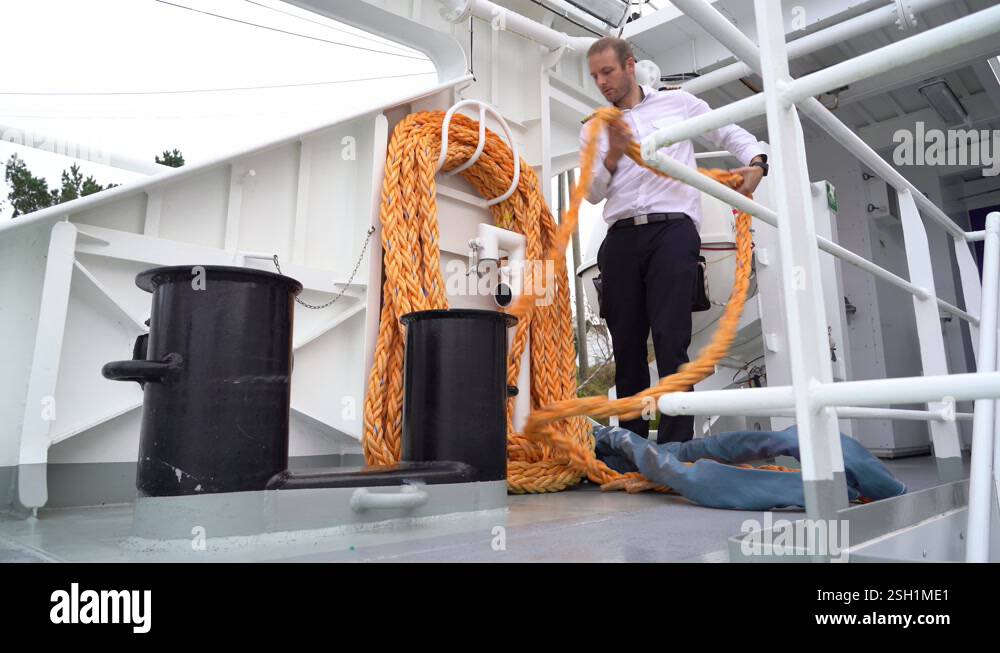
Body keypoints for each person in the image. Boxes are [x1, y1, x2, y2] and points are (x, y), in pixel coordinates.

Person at [580, 37, 768, 444]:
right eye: (595, 76)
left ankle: (675, 445)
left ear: (630, 66)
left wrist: (756, 162)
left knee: (671, 339)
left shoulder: (680, 104)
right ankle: (629, 443)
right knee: (627, 346)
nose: (602, 82)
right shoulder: (595, 128)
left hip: (673, 231)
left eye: (608, 72)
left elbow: (728, 132)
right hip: (622, 237)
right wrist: (611, 156)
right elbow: (592, 193)